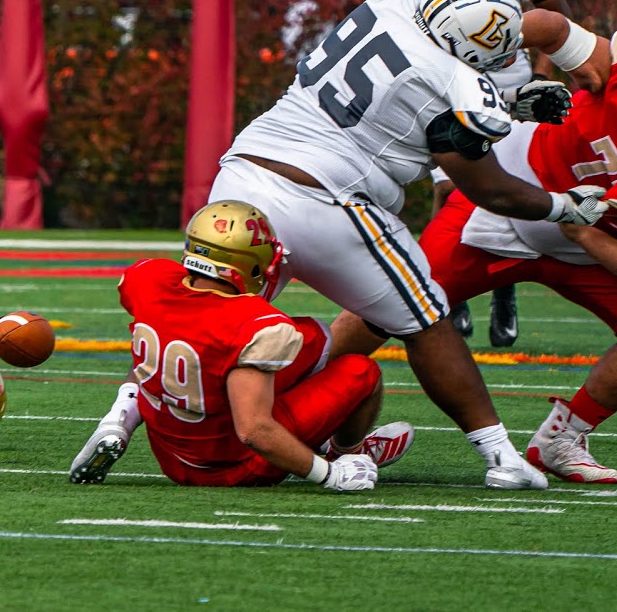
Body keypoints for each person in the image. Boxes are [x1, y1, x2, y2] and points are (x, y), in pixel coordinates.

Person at [173, 0, 606, 490]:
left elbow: (406, 93)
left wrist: (506, 105)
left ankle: (122, 417)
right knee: (427, 319)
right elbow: (495, 191)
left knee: (200, 315)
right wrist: (564, 206)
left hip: (245, 170)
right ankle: (501, 457)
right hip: (328, 199)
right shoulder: (458, 84)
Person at [329, 25, 617, 484]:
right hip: (501, 201)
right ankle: (290, 402)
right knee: (387, 303)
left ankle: (562, 438)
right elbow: (549, 26)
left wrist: (585, 238)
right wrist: (475, 71)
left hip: (588, 243)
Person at [70, 201, 410, 490]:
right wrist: (331, 475)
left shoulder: (148, 278)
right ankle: (341, 452)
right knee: (358, 369)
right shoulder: (255, 323)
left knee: (306, 339)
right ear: (248, 263)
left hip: (171, 456)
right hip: (233, 465)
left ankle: (120, 416)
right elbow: (253, 430)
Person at [385, 0, 576, 347]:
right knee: (450, 189)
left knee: (506, 185)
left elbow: (554, 15)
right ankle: (455, 290)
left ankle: (504, 288)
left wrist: (539, 75)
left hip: (507, 77)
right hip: (446, 79)